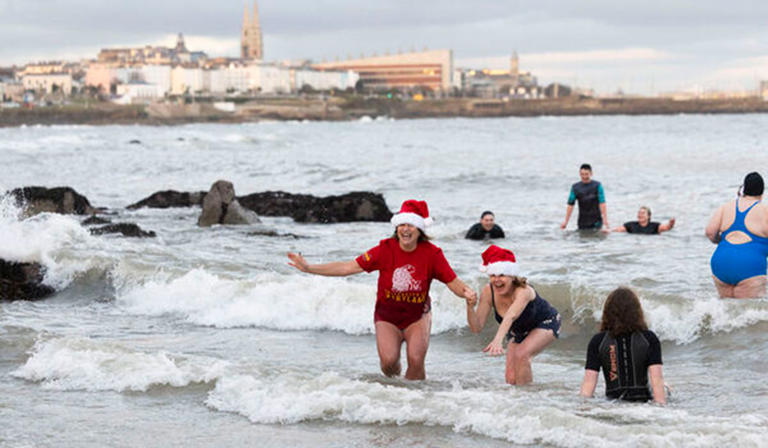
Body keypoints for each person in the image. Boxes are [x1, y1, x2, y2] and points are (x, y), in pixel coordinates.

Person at [287, 199, 477, 380]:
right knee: (388, 364)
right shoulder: (384, 250)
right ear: (397, 228)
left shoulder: (432, 254)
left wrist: (467, 293)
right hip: (387, 317)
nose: (405, 229)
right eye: (402, 225)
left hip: (417, 316)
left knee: (416, 360)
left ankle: (416, 402)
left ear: (420, 229)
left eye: (410, 225)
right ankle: (395, 393)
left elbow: (453, 282)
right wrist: (309, 268)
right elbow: (348, 267)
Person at [465, 245, 560, 385]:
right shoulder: (488, 291)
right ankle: (518, 402)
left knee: (522, 355)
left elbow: (510, 316)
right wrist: (470, 307)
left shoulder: (523, 291)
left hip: (545, 322)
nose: (497, 280)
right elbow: (476, 328)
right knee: (511, 378)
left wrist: (498, 340)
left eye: (502, 275)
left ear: (512, 276)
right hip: (519, 330)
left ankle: (527, 398)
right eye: (492, 275)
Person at [579, 287, 666, 404]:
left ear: (608, 312)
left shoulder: (598, 341)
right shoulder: (649, 339)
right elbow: (657, 381)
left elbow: (588, 386)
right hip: (642, 403)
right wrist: (662, 407)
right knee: (666, 388)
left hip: (613, 402)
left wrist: (582, 410)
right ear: (636, 311)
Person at [706, 172, 768, 298]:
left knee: (726, 311)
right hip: (750, 265)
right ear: (762, 192)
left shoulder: (726, 207)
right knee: (748, 313)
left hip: (721, 262)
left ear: (743, 188)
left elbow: (710, 232)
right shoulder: (764, 210)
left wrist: (722, 241)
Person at [561, 163, 609, 231]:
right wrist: (566, 222)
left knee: (597, 239)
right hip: (582, 221)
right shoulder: (575, 187)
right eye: (582, 174)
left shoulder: (597, 186)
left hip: (596, 221)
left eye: (586, 174)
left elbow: (602, 203)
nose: (584, 176)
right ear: (579, 174)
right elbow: (570, 204)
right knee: (582, 239)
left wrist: (605, 220)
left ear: (591, 173)